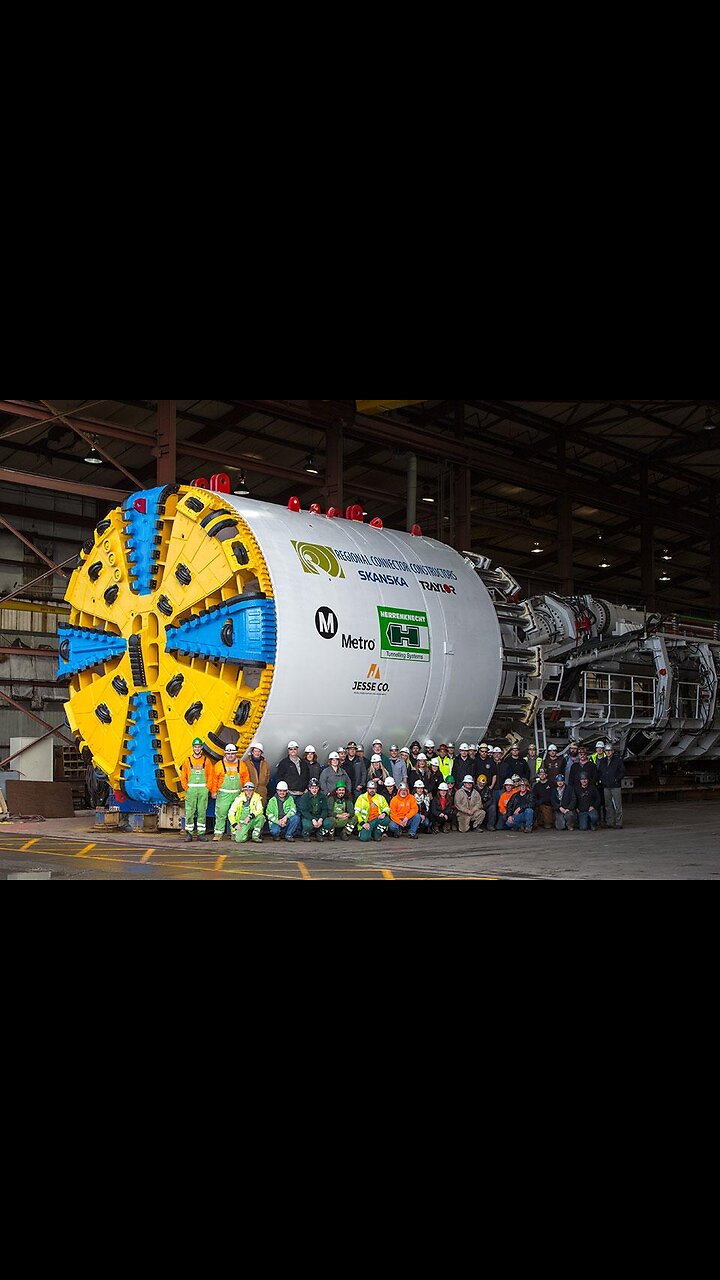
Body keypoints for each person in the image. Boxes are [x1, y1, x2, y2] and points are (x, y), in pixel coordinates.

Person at [212, 743, 250, 840]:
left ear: (235, 754)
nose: (230, 755)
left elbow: (246, 779)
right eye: (228, 754)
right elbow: (214, 779)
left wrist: (246, 792)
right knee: (221, 814)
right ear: (225, 754)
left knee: (236, 814)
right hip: (223, 794)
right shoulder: (219, 765)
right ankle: (218, 834)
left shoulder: (242, 765)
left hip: (237, 794)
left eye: (232, 754)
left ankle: (235, 833)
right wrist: (213, 791)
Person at [180, 738, 214, 842]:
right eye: (195, 747)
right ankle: (189, 834)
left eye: (199, 747)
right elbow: (183, 776)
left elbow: (211, 775)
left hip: (203, 790)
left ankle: (201, 834)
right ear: (193, 748)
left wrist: (207, 788)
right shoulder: (187, 761)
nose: (197, 749)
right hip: (191, 790)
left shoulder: (206, 761)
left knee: (202, 812)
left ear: (201, 748)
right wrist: (186, 788)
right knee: (189, 812)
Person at [228, 781, 265, 845]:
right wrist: (235, 824)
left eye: (250, 790)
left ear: (253, 790)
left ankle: (255, 836)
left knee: (261, 817)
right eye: (246, 790)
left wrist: (249, 816)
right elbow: (231, 813)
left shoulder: (257, 797)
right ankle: (246, 834)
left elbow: (260, 809)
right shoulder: (239, 798)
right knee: (239, 840)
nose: (248, 792)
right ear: (244, 790)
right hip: (242, 823)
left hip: (251, 820)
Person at [598, 745, 625, 829]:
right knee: (608, 805)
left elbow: (622, 772)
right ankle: (609, 822)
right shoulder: (602, 761)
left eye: (610, 750)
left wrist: (616, 779)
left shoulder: (618, 761)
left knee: (617, 805)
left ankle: (618, 823)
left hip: (615, 786)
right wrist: (602, 780)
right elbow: (600, 772)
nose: (608, 752)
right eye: (607, 750)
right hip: (606, 786)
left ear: (613, 751)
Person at [275, 741, 309, 805]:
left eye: (295, 749)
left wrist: (306, 788)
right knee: (290, 810)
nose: (293, 751)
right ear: (288, 751)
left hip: (302, 793)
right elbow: (279, 777)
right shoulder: (284, 763)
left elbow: (307, 776)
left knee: (302, 810)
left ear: (297, 750)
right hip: (290, 794)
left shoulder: (303, 763)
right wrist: (284, 791)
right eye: (291, 749)